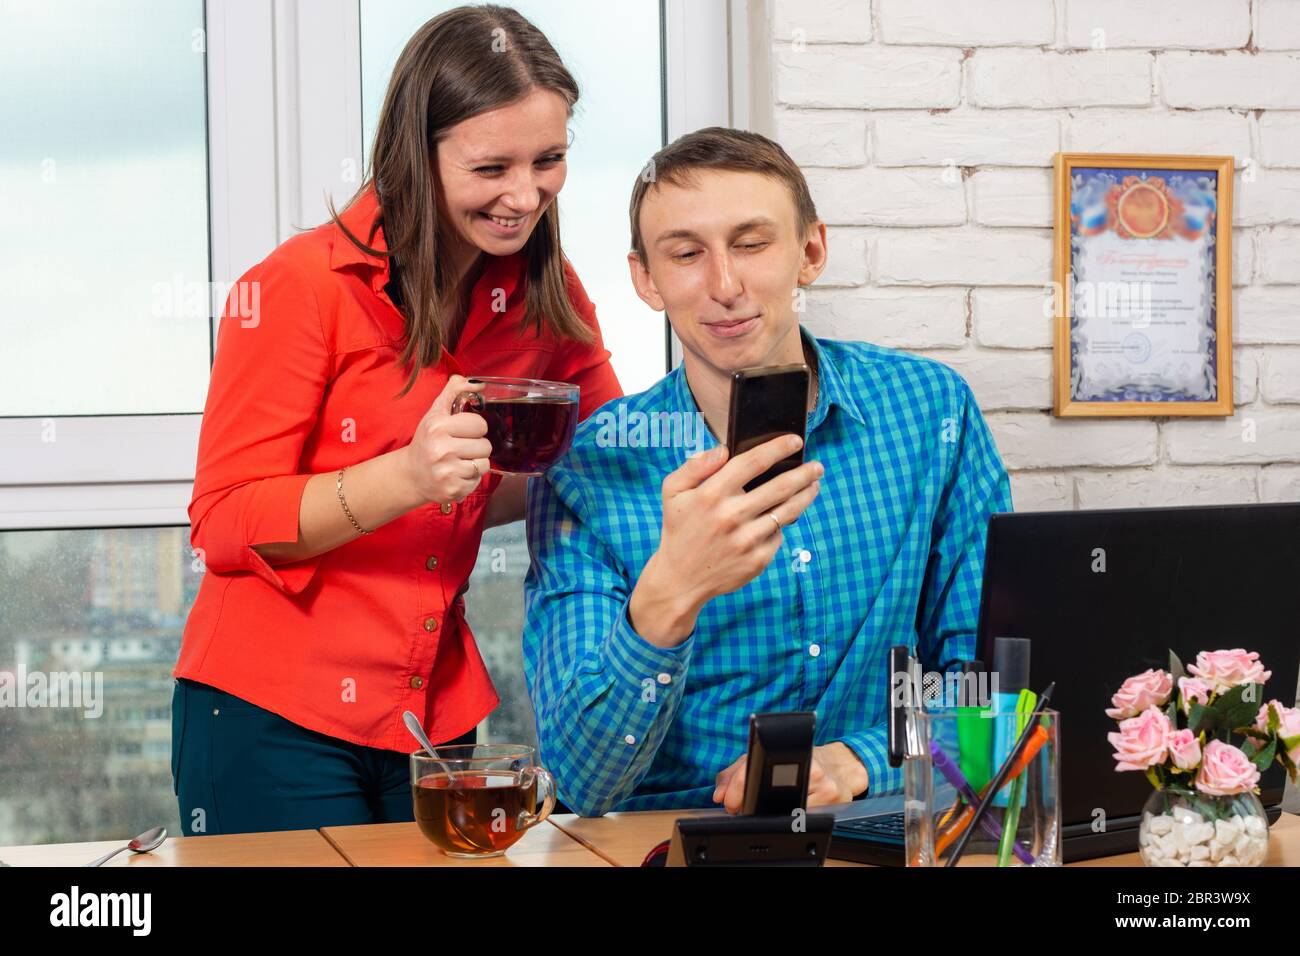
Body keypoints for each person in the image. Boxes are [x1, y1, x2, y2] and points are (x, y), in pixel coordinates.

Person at [172, 5, 622, 835]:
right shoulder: (298, 287)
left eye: (549, 160)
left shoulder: (543, 289)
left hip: (435, 713)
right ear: (417, 153)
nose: (526, 195)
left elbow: (607, 452)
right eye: (492, 167)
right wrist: (406, 477)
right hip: (273, 713)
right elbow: (224, 520)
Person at [521, 127, 1012, 817]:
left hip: (876, 835)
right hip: (672, 844)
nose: (724, 285)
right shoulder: (587, 469)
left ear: (810, 252)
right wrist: (670, 594)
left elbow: (992, 693)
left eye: (752, 244)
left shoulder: (930, 413)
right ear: (645, 279)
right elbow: (580, 784)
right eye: (686, 254)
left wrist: (863, 761)